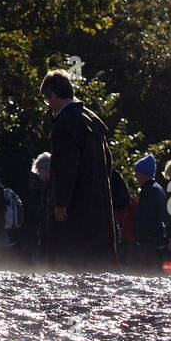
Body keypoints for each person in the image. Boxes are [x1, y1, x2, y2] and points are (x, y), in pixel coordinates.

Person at [41, 70, 117, 270]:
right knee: (97, 261)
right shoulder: (91, 118)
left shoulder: (65, 123)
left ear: (55, 96)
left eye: (47, 99)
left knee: (69, 259)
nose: (48, 105)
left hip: (75, 205)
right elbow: (109, 162)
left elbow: (64, 167)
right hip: (98, 202)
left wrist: (60, 203)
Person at [132, 155, 167, 271]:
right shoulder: (158, 188)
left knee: (148, 269)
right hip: (157, 236)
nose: (136, 176)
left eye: (137, 173)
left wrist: (141, 236)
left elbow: (146, 216)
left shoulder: (149, 190)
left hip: (149, 240)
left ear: (143, 173)